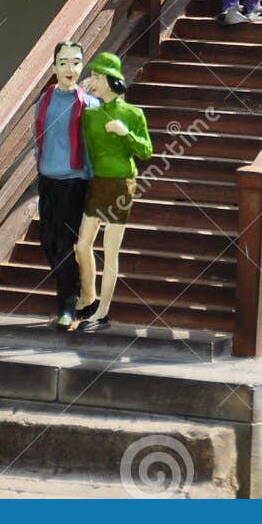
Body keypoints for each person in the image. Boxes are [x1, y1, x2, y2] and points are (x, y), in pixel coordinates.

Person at [73, 52, 152, 333]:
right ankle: (90, 297)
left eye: (97, 76)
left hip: (122, 183)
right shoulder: (89, 115)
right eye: (92, 76)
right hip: (98, 182)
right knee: (81, 246)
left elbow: (146, 151)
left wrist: (125, 133)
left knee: (110, 251)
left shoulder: (132, 113)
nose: (92, 81)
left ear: (111, 80)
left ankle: (103, 312)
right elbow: (88, 151)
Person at [34, 40, 100, 329]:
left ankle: (67, 306)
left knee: (64, 244)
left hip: (75, 183)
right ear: (54, 68)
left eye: (75, 62)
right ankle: (79, 293)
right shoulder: (45, 101)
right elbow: (40, 139)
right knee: (47, 241)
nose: (69, 68)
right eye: (63, 63)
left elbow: (97, 149)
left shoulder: (90, 105)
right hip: (48, 179)